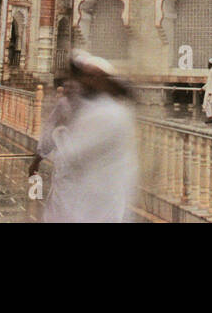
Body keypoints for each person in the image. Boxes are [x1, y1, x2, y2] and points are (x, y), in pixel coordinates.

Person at [40, 52, 138, 223]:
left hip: (96, 204)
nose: (83, 81)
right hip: (92, 201)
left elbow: (72, 153)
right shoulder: (101, 109)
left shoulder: (107, 114)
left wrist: (60, 130)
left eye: (89, 76)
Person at [29, 76, 76, 178]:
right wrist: (37, 161)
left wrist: (36, 161)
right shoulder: (64, 104)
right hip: (67, 164)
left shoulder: (66, 104)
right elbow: (51, 130)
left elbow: (51, 129)